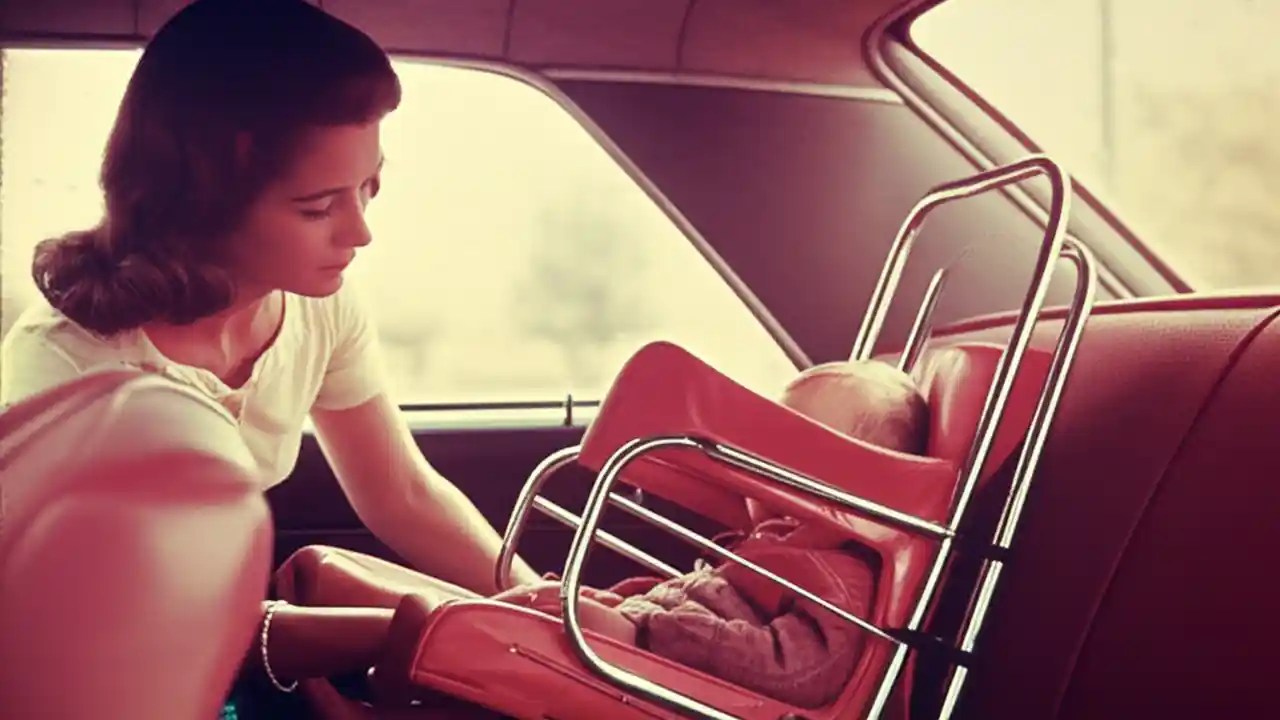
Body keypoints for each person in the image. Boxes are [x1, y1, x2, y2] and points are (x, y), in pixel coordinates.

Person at [0, 0, 540, 597]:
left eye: (368, 188)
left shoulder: (321, 307)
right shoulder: (66, 365)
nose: (359, 232)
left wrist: (540, 602)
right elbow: (90, 607)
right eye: (318, 207)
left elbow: (402, 494)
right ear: (204, 198)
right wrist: (414, 630)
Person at [289, 359, 929, 711]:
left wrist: (651, 630)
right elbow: (703, 596)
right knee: (536, 613)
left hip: (678, 670)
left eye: (794, 463)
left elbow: (803, 675)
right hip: (649, 641)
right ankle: (398, 657)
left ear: (863, 490)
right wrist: (637, 604)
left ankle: (390, 685)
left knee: (535, 626)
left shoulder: (841, 578)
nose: (760, 480)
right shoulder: (771, 548)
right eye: (763, 455)